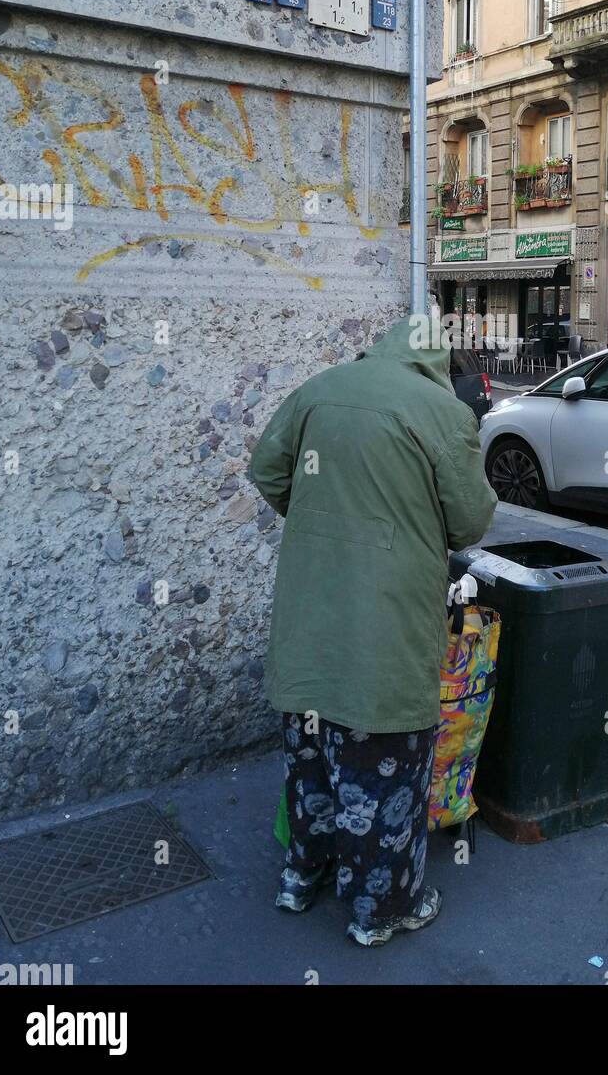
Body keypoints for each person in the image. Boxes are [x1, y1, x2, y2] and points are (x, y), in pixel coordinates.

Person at [249, 313, 497, 947]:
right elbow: (470, 522)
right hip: (384, 625)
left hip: (310, 613)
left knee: (312, 760)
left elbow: (268, 473)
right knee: (384, 773)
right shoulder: (443, 414)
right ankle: (381, 910)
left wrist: (320, 520)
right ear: (436, 362)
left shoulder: (317, 390)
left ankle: (302, 877)